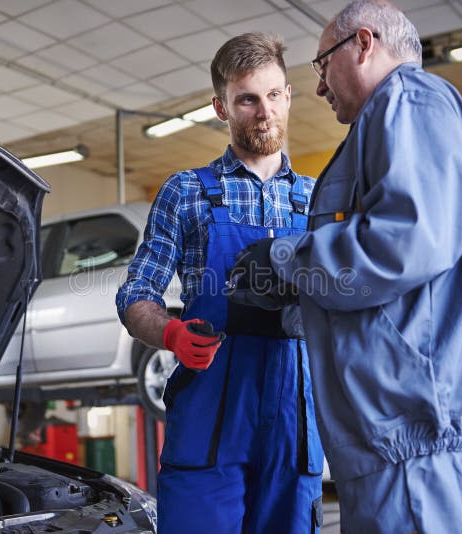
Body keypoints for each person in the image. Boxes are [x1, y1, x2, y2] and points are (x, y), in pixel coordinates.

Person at [229, 1, 462, 532]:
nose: (320, 86)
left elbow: (404, 242)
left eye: (322, 65)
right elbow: (393, 286)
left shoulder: (407, 102)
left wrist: (285, 259)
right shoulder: (391, 120)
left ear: (363, 44)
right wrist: (295, 307)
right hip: (403, 439)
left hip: (416, 442)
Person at [115, 32, 324, 533]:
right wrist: (171, 334)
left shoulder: (319, 200)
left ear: (288, 97)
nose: (264, 112)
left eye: (273, 95)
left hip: (293, 422)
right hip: (210, 420)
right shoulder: (186, 192)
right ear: (221, 107)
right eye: (247, 99)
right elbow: (136, 294)